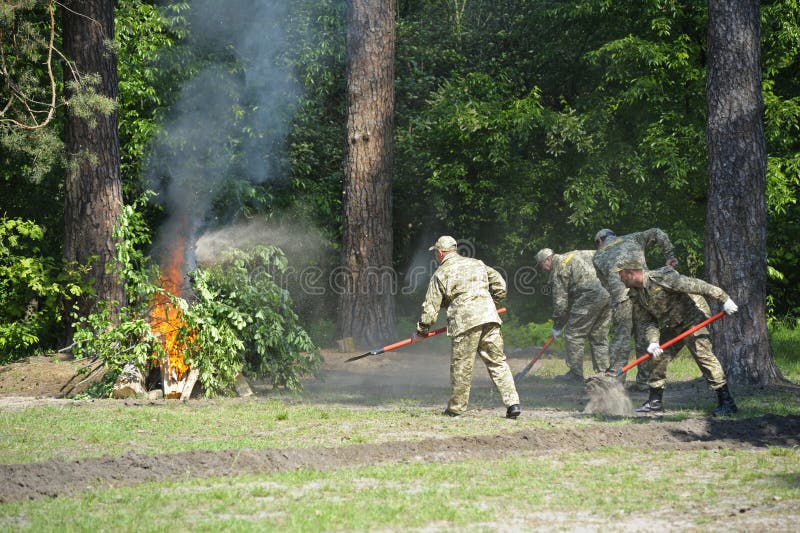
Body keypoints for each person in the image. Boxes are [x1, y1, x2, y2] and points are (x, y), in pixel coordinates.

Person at [412, 235, 521, 419]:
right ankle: (513, 404)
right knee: (498, 362)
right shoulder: (477, 264)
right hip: (489, 318)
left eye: (435, 254)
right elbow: (500, 286)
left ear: (440, 253)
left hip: (465, 323)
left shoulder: (441, 274)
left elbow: (430, 308)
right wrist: (489, 305)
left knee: (462, 366)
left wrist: (421, 331)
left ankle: (456, 409)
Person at [617, 259, 739, 416]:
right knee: (658, 356)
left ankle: (727, 402)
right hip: (673, 324)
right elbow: (648, 322)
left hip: (694, 317)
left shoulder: (660, 278)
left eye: (621, 275)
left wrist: (724, 298)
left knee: (704, 357)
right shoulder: (636, 293)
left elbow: (696, 285)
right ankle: (655, 404)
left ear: (631, 273)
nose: (620, 279)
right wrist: (653, 342)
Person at [593, 228, 678, 389]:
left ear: (599, 241)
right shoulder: (633, 237)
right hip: (644, 292)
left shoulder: (597, 256)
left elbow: (605, 284)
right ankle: (645, 382)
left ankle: (616, 382)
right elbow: (657, 232)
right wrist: (670, 255)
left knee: (621, 339)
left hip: (621, 298)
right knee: (645, 335)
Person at [535, 247, 611, 381]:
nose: (543, 270)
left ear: (547, 259)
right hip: (609, 292)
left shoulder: (558, 267)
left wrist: (558, 325)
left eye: (542, 265)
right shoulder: (577, 254)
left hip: (589, 295)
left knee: (574, 332)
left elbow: (560, 303)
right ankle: (604, 373)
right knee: (599, 335)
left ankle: (575, 374)